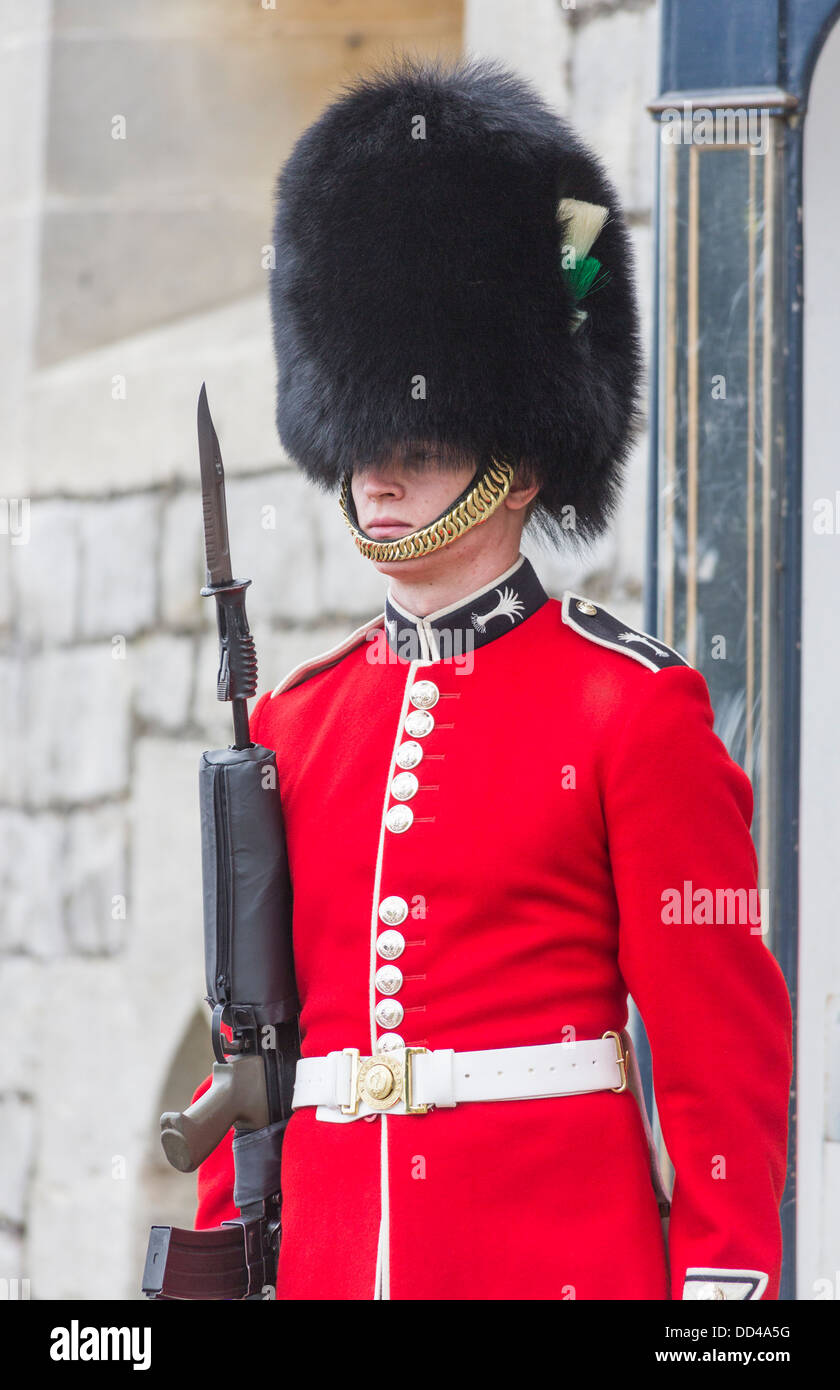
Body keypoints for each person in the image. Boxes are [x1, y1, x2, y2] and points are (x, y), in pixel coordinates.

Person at [191, 57, 792, 1301]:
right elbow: (254, 1053)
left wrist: (725, 1304)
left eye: (416, 447)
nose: (378, 480)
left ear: (516, 467)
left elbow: (718, 1052)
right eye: (363, 447)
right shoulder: (299, 726)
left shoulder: (632, 708)